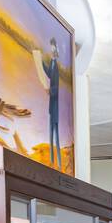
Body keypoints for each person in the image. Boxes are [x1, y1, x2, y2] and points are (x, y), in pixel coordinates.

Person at [31, 37, 63, 170]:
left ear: (56, 50)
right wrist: (40, 62)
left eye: (53, 48)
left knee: (56, 135)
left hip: (54, 104)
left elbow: (56, 86)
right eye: (52, 48)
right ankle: (52, 160)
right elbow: (49, 74)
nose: (52, 50)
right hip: (52, 105)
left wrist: (50, 91)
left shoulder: (57, 66)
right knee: (51, 133)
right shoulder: (52, 62)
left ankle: (59, 162)